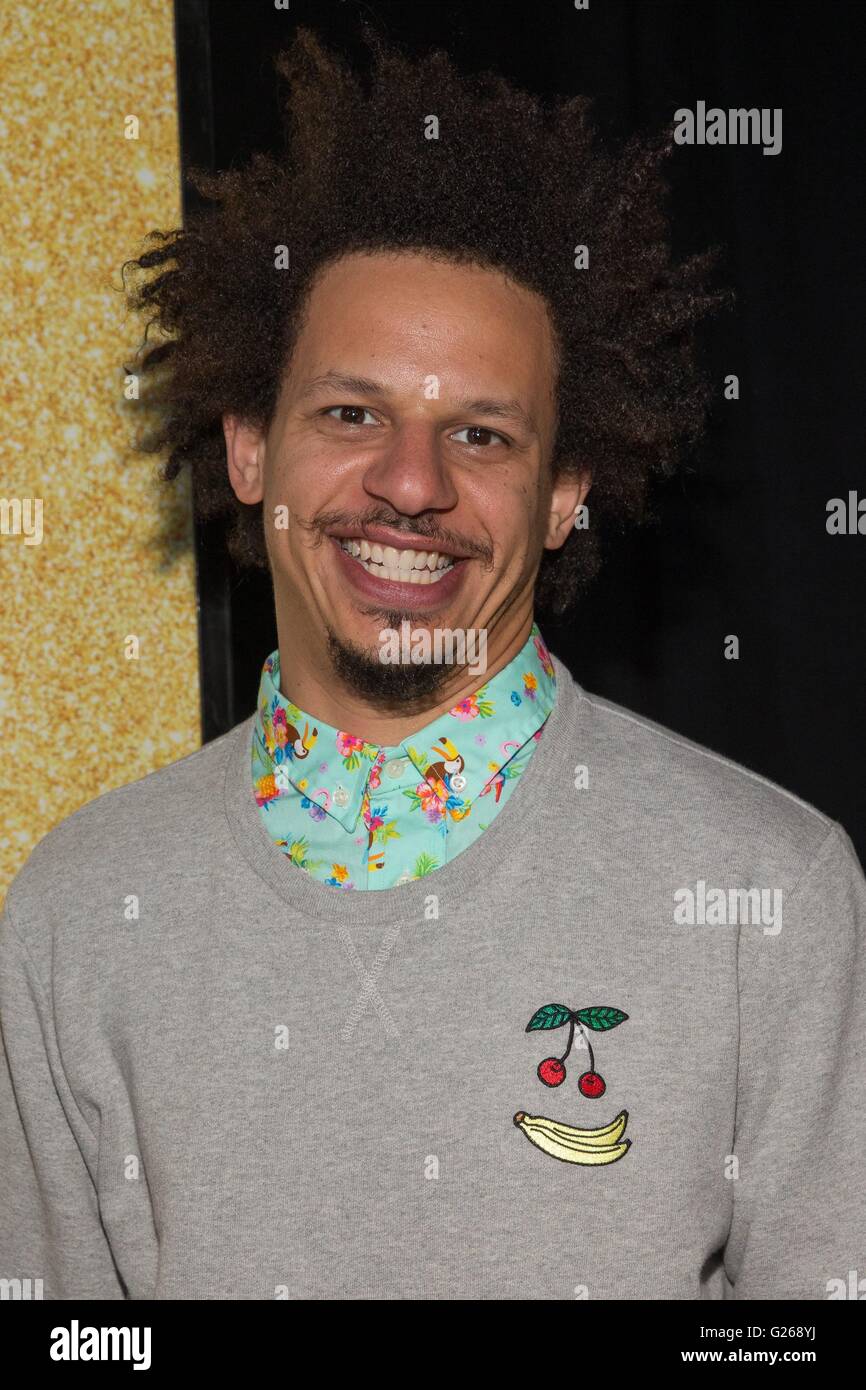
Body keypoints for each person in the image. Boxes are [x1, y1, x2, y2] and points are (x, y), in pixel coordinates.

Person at [1, 29, 863, 1301]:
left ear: (565, 491)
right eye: (351, 414)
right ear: (246, 448)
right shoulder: (79, 909)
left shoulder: (768, 894)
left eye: (480, 432)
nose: (410, 484)